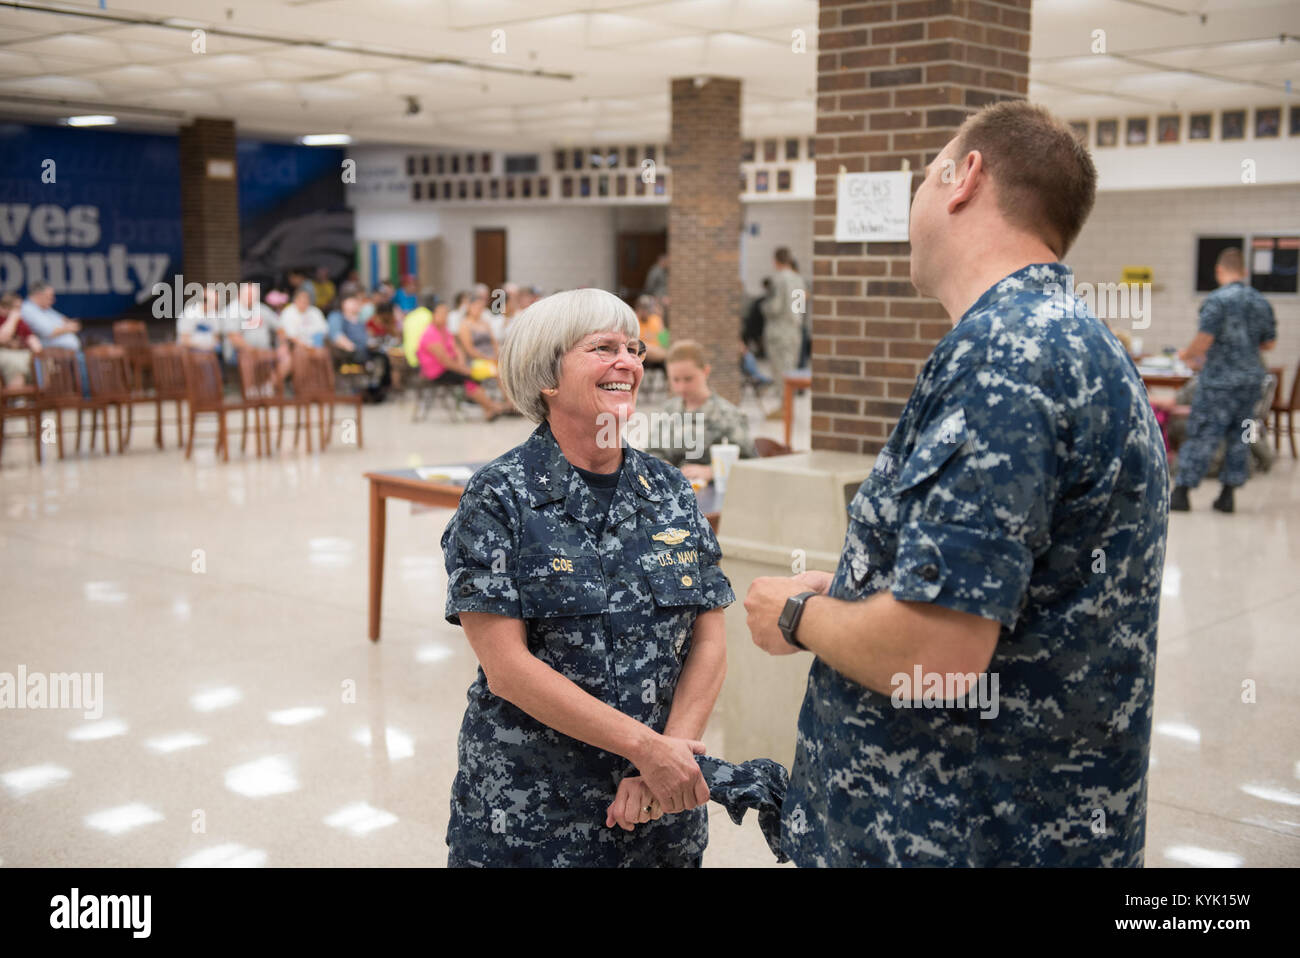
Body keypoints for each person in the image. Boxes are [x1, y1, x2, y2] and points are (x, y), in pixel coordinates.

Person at [742, 100, 1169, 867]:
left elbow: (935, 656)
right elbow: (1010, 590)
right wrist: (855, 589)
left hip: (958, 832)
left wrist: (799, 614)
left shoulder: (1004, 356)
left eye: (921, 176)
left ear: (963, 177)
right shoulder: (1069, 339)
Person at [439, 287, 733, 866]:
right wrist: (649, 751)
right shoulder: (499, 498)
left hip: (661, 817)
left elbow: (709, 638)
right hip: (535, 820)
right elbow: (508, 670)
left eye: (634, 348)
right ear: (547, 376)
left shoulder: (669, 490)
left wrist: (669, 758)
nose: (629, 362)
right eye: (602, 347)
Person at [1169, 247, 1277, 514]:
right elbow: (1269, 343)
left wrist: (1186, 354)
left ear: (1219, 271)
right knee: (1240, 435)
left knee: (1204, 432)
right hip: (1251, 381)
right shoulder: (1260, 302)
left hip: (1219, 382)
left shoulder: (1217, 301)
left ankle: (1182, 493)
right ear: (1245, 272)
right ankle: (1227, 496)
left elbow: (1204, 339)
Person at [645, 339, 758, 483]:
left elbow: (749, 462)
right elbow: (652, 452)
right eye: (675, 380)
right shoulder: (669, 411)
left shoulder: (727, 414)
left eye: (688, 379)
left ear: (706, 371)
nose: (681, 387)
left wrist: (713, 471)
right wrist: (662, 466)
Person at [416, 300, 509, 420]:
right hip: (437, 371)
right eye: (442, 313)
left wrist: (461, 361)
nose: (445, 316)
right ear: (434, 314)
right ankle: (493, 407)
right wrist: (463, 369)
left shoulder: (444, 329)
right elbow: (445, 361)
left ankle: (490, 409)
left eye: (446, 313)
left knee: (473, 375)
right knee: (469, 376)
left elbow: (456, 348)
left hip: (451, 366)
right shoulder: (430, 334)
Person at [760, 248, 805, 390]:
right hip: (794, 331)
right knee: (791, 371)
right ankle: (789, 407)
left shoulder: (778, 280)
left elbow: (775, 307)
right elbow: (800, 308)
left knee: (780, 374)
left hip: (779, 331)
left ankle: (784, 408)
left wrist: (763, 307)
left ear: (776, 261)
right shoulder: (799, 279)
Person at [0, 292, 42, 387]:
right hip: (4, 353)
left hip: (21, 353)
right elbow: (2, 338)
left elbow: (34, 342)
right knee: (15, 362)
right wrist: (12, 318)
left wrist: (38, 352)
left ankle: (40, 396)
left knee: (44, 362)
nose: (19, 311)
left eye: (20, 308)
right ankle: (17, 399)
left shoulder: (20, 321)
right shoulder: (9, 318)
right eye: (16, 307)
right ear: (3, 308)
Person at [633, 296, 668, 365]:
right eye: (642, 308)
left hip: (656, 352)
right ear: (637, 309)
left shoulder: (656, 320)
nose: (644, 311)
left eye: (646, 308)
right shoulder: (634, 320)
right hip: (639, 352)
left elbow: (664, 342)